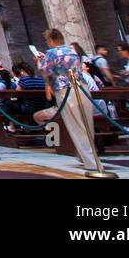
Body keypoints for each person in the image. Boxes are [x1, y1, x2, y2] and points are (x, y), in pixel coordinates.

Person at [33, 27, 99, 173]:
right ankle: (88, 156)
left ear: (50, 40)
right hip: (82, 87)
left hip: (65, 90)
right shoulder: (72, 51)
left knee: (75, 124)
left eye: (47, 40)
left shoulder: (51, 53)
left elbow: (45, 72)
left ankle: (91, 162)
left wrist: (38, 62)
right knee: (86, 123)